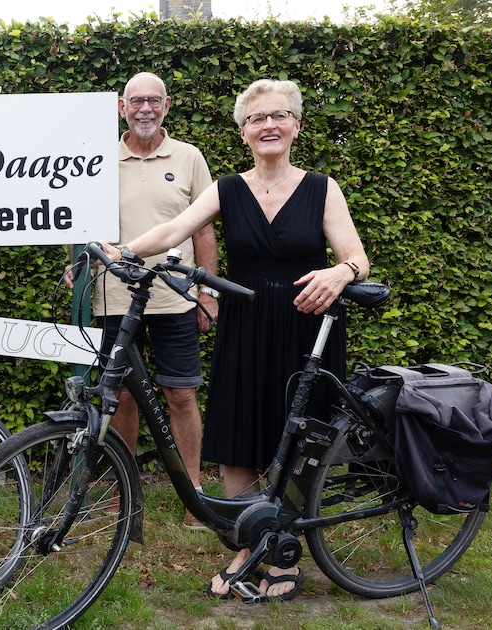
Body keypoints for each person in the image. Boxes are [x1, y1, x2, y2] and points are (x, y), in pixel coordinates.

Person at [102, 78, 370, 602]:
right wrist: (121, 250)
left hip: (305, 325)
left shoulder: (322, 187)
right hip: (245, 324)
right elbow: (173, 229)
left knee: (298, 440)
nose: (268, 125)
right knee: (240, 435)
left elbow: (356, 256)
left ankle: (285, 545)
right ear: (243, 132)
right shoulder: (227, 187)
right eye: (256, 119)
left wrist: (340, 274)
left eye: (278, 116)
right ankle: (248, 546)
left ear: (296, 124)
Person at [94, 72, 219, 530]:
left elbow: (203, 227)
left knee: (181, 395)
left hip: (176, 297)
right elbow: (85, 222)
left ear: (167, 105)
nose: (145, 108)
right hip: (113, 297)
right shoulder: (100, 157)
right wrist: (80, 265)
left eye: (154, 100)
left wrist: (208, 291)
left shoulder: (189, 157)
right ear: (122, 107)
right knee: (122, 396)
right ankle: (123, 493)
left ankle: (194, 497)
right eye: (135, 101)